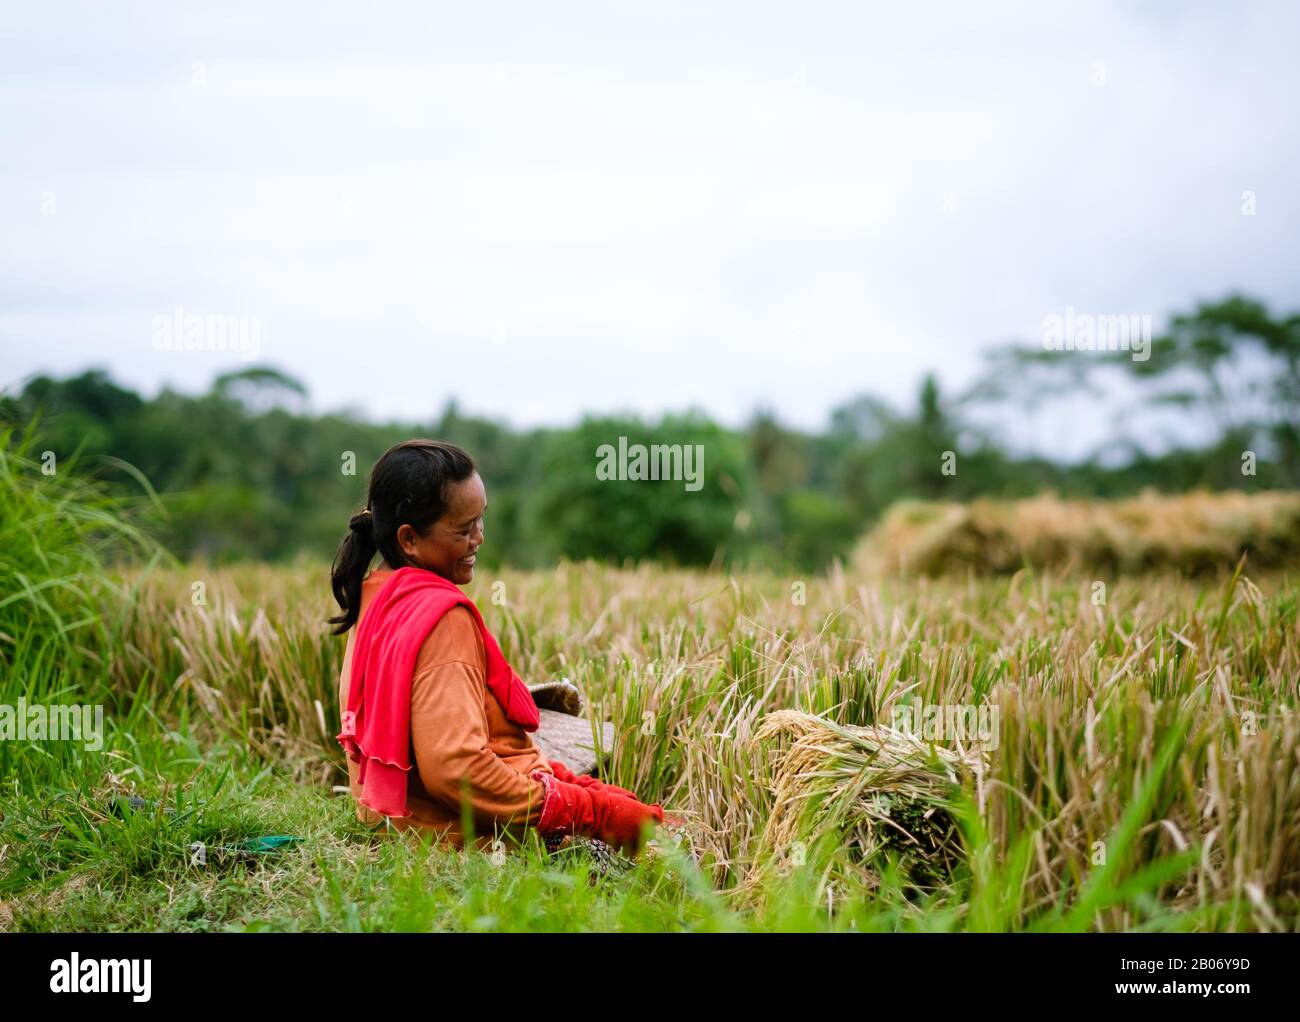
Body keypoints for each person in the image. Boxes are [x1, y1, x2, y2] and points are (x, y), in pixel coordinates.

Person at [329, 439, 664, 855]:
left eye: (480, 521)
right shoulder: (442, 619)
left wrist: (577, 787)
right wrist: (592, 812)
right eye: (462, 529)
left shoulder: (376, 597)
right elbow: (457, 770)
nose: (478, 538)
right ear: (409, 538)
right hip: (459, 841)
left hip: (398, 827)